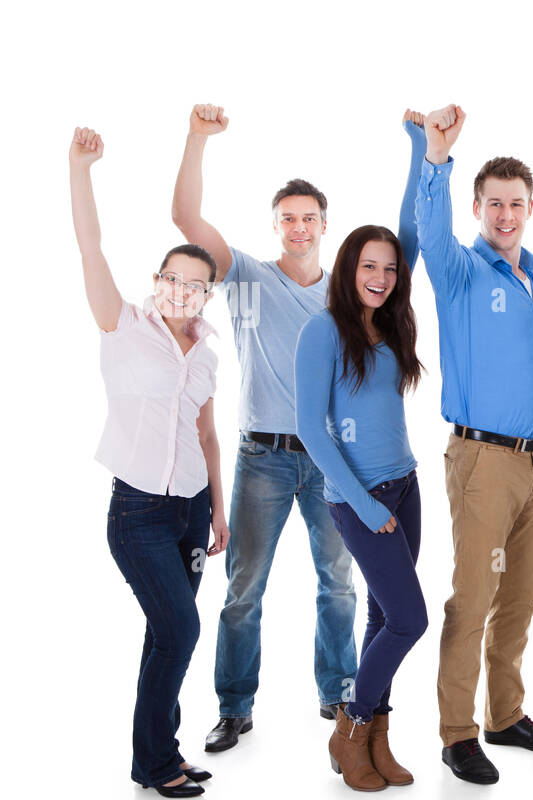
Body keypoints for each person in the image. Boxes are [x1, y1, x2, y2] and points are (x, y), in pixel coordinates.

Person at [172, 104, 366, 751]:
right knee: (242, 589)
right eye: (288, 218)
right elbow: (187, 220)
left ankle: (339, 691)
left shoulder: (345, 290)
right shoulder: (248, 277)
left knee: (337, 582)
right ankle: (234, 705)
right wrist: (198, 139)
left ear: (324, 226)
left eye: (309, 218)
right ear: (277, 226)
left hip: (329, 460)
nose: (299, 227)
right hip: (263, 458)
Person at [72, 126, 230, 797]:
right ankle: (154, 763)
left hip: (192, 513)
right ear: (158, 281)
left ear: (206, 297)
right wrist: (79, 167)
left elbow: (208, 434)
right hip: (136, 514)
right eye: (173, 279)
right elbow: (89, 245)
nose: (181, 293)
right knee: (182, 627)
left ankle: (160, 750)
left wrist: (219, 510)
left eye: (196, 287)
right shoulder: (122, 326)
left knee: (166, 636)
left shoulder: (208, 355)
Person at [414, 103, 533, 785]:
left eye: (516, 204)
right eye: (494, 204)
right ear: (477, 206)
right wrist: (436, 161)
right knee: (473, 596)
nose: (505, 214)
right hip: (484, 460)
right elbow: (427, 227)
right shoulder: (461, 273)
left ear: (530, 208)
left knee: (523, 595)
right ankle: (457, 733)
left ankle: (506, 715)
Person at [296, 222, 426, 792]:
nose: (381, 277)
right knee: (409, 620)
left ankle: (376, 739)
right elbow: (310, 430)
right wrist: (364, 507)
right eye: (368, 266)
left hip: (405, 486)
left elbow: (412, 237)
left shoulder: (389, 324)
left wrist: (423, 151)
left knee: (382, 620)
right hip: (362, 500)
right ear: (349, 269)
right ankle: (349, 730)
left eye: (390, 268)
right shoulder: (323, 331)